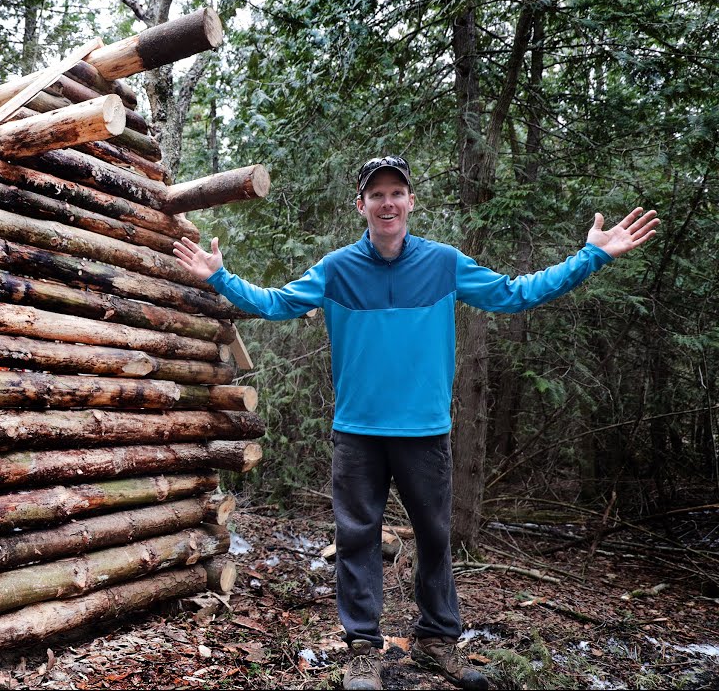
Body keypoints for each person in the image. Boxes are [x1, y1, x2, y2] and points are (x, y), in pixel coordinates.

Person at [172, 156, 659, 691]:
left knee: (433, 537)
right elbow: (275, 304)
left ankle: (435, 644)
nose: (387, 203)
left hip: (425, 433)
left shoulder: (444, 264)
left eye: (396, 193)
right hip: (357, 432)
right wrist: (219, 277)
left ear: (410, 202)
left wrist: (593, 255)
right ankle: (362, 649)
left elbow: (518, 293)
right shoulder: (336, 269)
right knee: (357, 538)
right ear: (361, 205)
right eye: (376, 194)